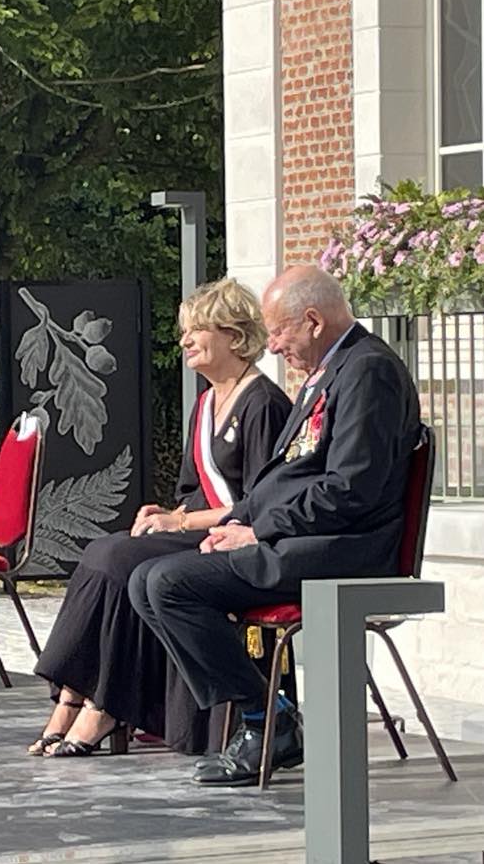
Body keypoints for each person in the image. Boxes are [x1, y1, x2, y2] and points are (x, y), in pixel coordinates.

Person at [129, 265, 421, 786]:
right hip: (306, 536)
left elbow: (350, 489)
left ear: (311, 320)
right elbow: (281, 474)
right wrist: (240, 519)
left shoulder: (368, 371)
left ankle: (267, 721)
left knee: (170, 585)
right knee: (144, 582)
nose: (274, 345)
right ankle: (271, 716)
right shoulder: (331, 371)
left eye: (279, 331)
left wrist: (260, 532)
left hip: (346, 545)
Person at [29, 278, 292, 757]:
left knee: (115, 556)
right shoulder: (205, 404)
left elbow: (259, 503)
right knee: (107, 551)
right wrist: (170, 514)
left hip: (231, 542)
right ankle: (76, 693)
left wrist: (183, 524)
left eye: (197, 330)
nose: (185, 341)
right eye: (183, 332)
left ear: (234, 336)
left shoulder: (264, 403)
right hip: (199, 529)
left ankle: (102, 703)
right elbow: (193, 492)